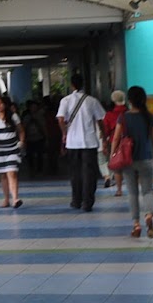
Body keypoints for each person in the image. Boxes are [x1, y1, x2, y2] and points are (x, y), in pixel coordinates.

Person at [111, 85, 153, 238]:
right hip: (145, 158)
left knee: (132, 192)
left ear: (129, 100)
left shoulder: (123, 117)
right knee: (148, 190)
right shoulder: (150, 117)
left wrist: (113, 154)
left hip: (127, 159)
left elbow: (116, 138)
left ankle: (136, 224)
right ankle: (149, 215)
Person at [56, 71, 106, 211]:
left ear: (71, 85)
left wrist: (64, 133)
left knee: (75, 173)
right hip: (89, 142)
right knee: (89, 173)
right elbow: (101, 120)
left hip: (72, 142)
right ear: (83, 84)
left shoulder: (65, 101)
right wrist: (104, 136)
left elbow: (60, 119)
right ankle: (87, 203)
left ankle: (76, 200)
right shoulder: (92, 101)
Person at [0, 95, 25, 208]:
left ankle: (15, 199)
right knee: (3, 175)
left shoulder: (13, 116)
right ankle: (6, 199)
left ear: (5, 104)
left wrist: (21, 141)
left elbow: (21, 130)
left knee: (12, 172)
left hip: (12, 148)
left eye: (0, 103)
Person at [101, 90, 127, 195]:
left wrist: (105, 144)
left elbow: (105, 131)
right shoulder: (129, 113)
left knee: (117, 166)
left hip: (115, 142)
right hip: (129, 142)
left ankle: (119, 189)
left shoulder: (109, 115)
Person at [21, 100, 46, 178]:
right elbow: (23, 128)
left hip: (39, 137)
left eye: (35, 107)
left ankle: (39, 170)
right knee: (30, 155)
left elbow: (43, 127)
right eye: (32, 107)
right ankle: (31, 169)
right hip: (29, 138)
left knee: (39, 155)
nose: (33, 109)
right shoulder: (26, 117)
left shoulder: (40, 116)